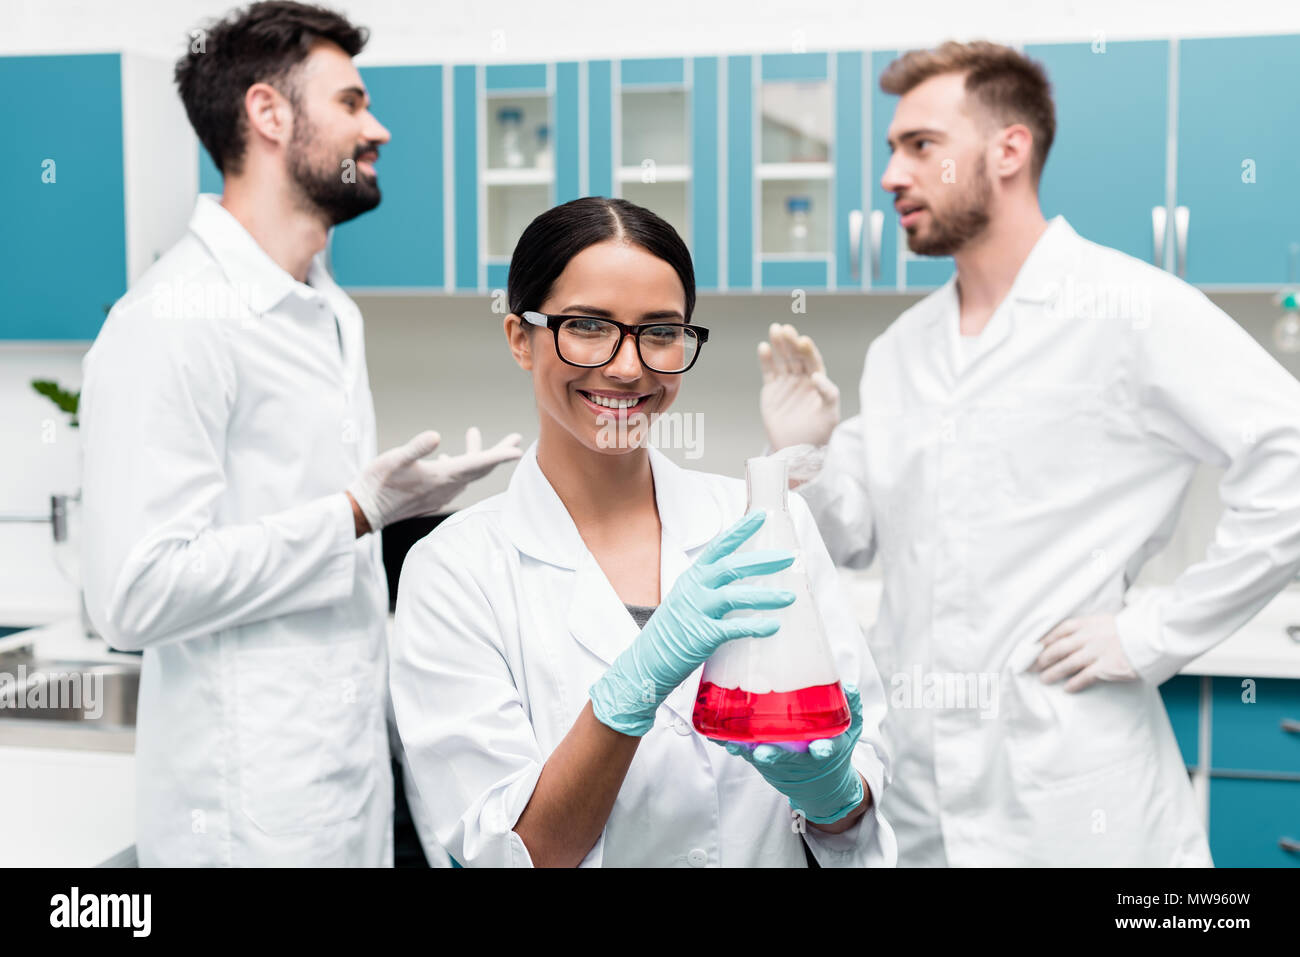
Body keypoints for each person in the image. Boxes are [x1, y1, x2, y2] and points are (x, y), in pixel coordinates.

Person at [758, 40, 1300, 867]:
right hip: (920, 797)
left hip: (1075, 801)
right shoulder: (905, 348)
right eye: (892, 149)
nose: (889, 176)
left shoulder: (1127, 308)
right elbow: (855, 534)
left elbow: (1288, 454)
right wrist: (807, 457)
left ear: (1008, 149)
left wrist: (1153, 630)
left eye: (921, 146)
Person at [79, 1, 520, 866]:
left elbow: (297, 526)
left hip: (344, 790)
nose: (378, 127)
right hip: (243, 819)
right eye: (352, 103)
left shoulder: (325, 307)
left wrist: (392, 514)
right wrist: (354, 512)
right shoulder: (171, 320)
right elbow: (131, 595)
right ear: (268, 114)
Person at [389, 197, 896, 867]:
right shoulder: (454, 571)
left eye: (659, 332)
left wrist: (833, 797)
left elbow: (859, 798)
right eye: (589, 326)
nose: (628, 367)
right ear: (520, 337)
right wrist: (633, 686)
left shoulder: (766, 525)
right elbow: (509, 853)